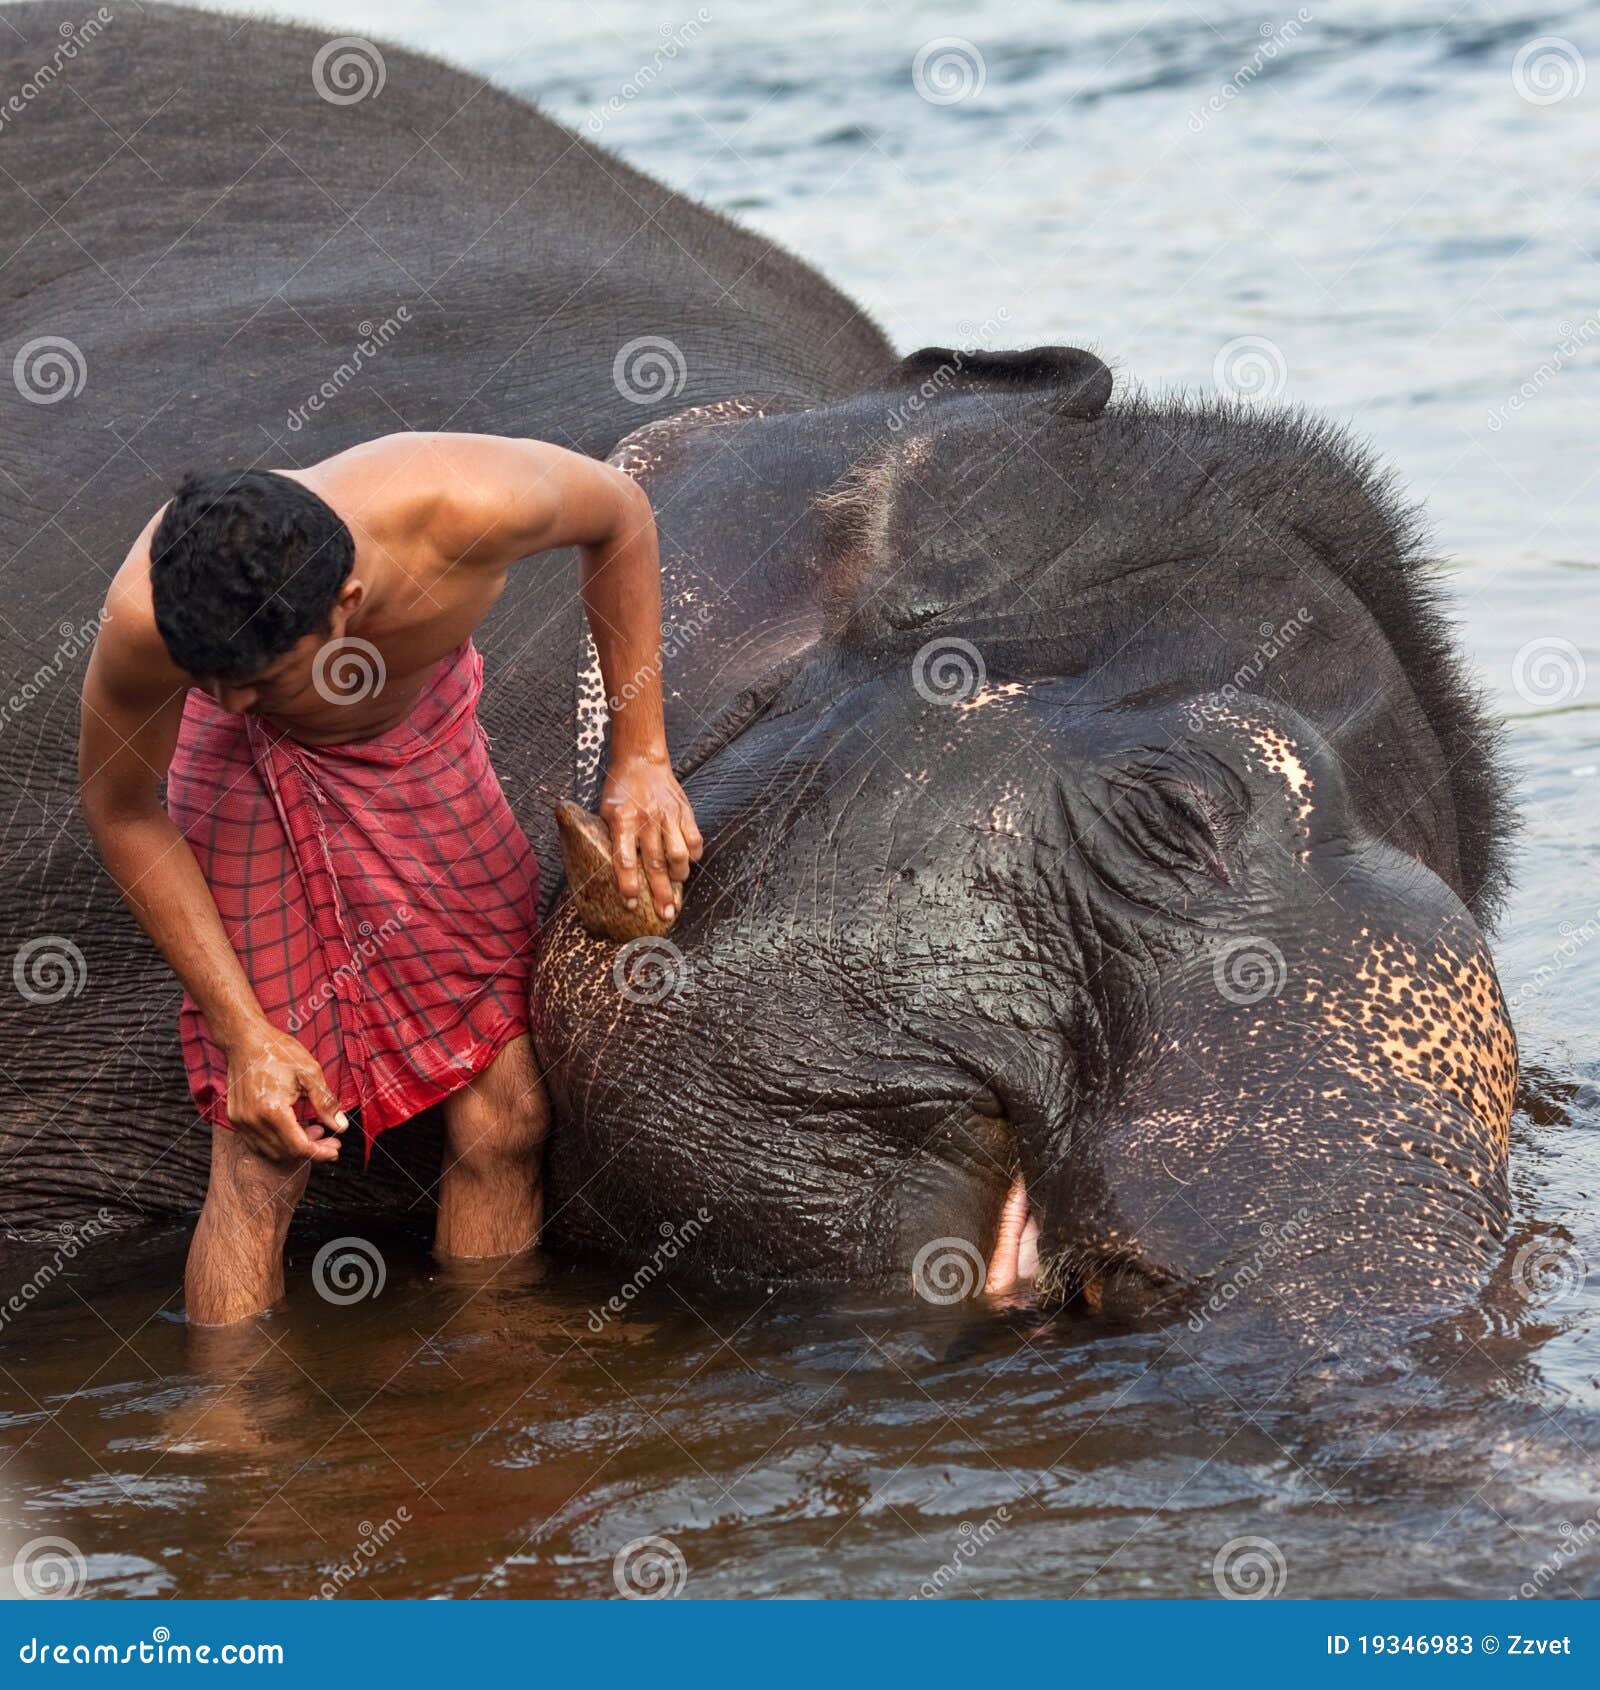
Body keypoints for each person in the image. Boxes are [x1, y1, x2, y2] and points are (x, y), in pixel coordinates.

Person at [79, 434, 702, 1325]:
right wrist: (245, 1032)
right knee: (271, 1144)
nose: (225, 700)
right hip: (246, 781)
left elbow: (622, 513)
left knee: (509, 1108)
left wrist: (641, 752)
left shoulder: (468, 507)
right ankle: (239, 1442)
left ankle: (488, 1385)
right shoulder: (151, 625)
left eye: (254, 680)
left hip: (420, 736)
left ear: (349, 603)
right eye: (204, 680)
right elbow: (124, 809)